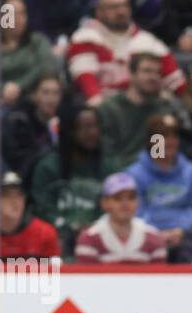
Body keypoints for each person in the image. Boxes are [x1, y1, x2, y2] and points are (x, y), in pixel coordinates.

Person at [66, 0, 185, 105]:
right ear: (99, 11)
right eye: (114, 7)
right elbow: (87, 82)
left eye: (124, 5)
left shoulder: (148, 42)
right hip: (105, 109)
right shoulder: (85, 37)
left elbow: (177, 84)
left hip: (145, 108)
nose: (121, 11)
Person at [30, 106, 124, 255]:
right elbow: (42, 209)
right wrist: (67, 227)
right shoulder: (48, 167)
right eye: (85, 127)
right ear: (70, 131)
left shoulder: (110, 167)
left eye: (95, 126)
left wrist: (94, 228)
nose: (93, 132)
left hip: (103, 239)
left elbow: (119, 206)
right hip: (58, 238)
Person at [126, 112, 192, 262]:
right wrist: (154, 232)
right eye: (162, 136)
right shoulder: (134, 175)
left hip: (187, 238)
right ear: (151, 141)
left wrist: (181, 230)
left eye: (173, 136)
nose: (169, 142)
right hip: (145, 238)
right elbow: (133, 210)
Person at [97, 51, 190, 164]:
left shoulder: (162, 110)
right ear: (132, 74)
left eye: (158, 72)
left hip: (154, 173)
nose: (154, 77)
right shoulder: (110, 109)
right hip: (122, 174)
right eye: (147, 71)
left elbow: (159, 154)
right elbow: (108, 157)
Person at [73, 170, 169, 262]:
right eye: (117, 198)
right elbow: (87, 278)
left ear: (138, 202)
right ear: (104, 203)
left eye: (131, 197)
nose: (125, 203)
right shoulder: (89, 239)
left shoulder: (154, 238)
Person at [0, 170, 62, 258]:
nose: (15, 202)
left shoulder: (44, 233)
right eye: (7, 195)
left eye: (19, 195)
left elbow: (57, 275)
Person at [2, 74, 62, 179]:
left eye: (55, 93)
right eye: (45, 92)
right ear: (34, 95)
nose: (51, 99)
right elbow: (19, 162)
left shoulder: (65, 123)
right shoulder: (19, 122)